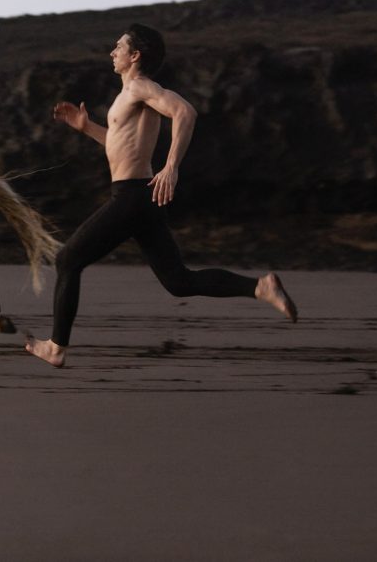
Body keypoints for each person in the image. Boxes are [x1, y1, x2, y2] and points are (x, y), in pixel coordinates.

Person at [25, 24, 297, 368]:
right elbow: (122, 144)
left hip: (132, 197)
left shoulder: (141, 87)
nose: (113, 52)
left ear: (135, 56)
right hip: (139, 198)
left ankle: (56, 347)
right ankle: (261, 287)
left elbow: (185, 112)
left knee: (67, 260)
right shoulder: (128, 95)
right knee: (179, 281)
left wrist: (171, 166)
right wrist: (87, 127)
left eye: (118, 47)